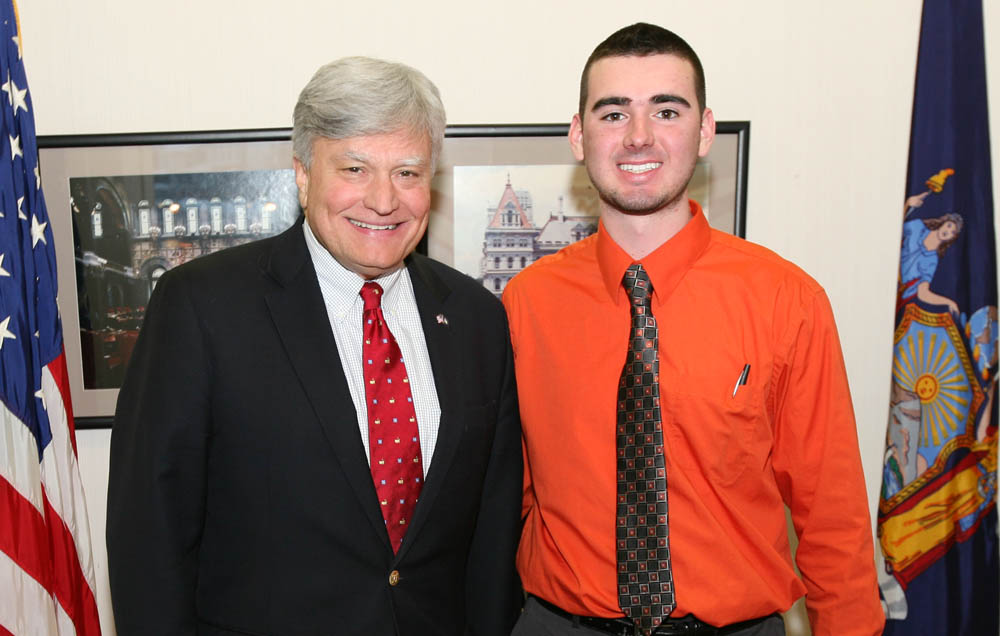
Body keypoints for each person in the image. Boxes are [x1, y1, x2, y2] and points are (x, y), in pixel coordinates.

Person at [106, 57, 522, 636]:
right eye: (355, 168)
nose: (383, 200)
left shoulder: (477, 319)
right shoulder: (201, 306)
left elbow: (493, 535)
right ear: (303, 174)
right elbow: (149, 533)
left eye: (407, 172)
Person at [503, 23, 883, 636]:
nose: (639, 136)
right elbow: (503, 501)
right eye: (612, 112)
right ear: (579, 135)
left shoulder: (787, 301)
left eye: (667, 110)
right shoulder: (526, 304)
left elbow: (832, 518)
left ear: (705, 130)